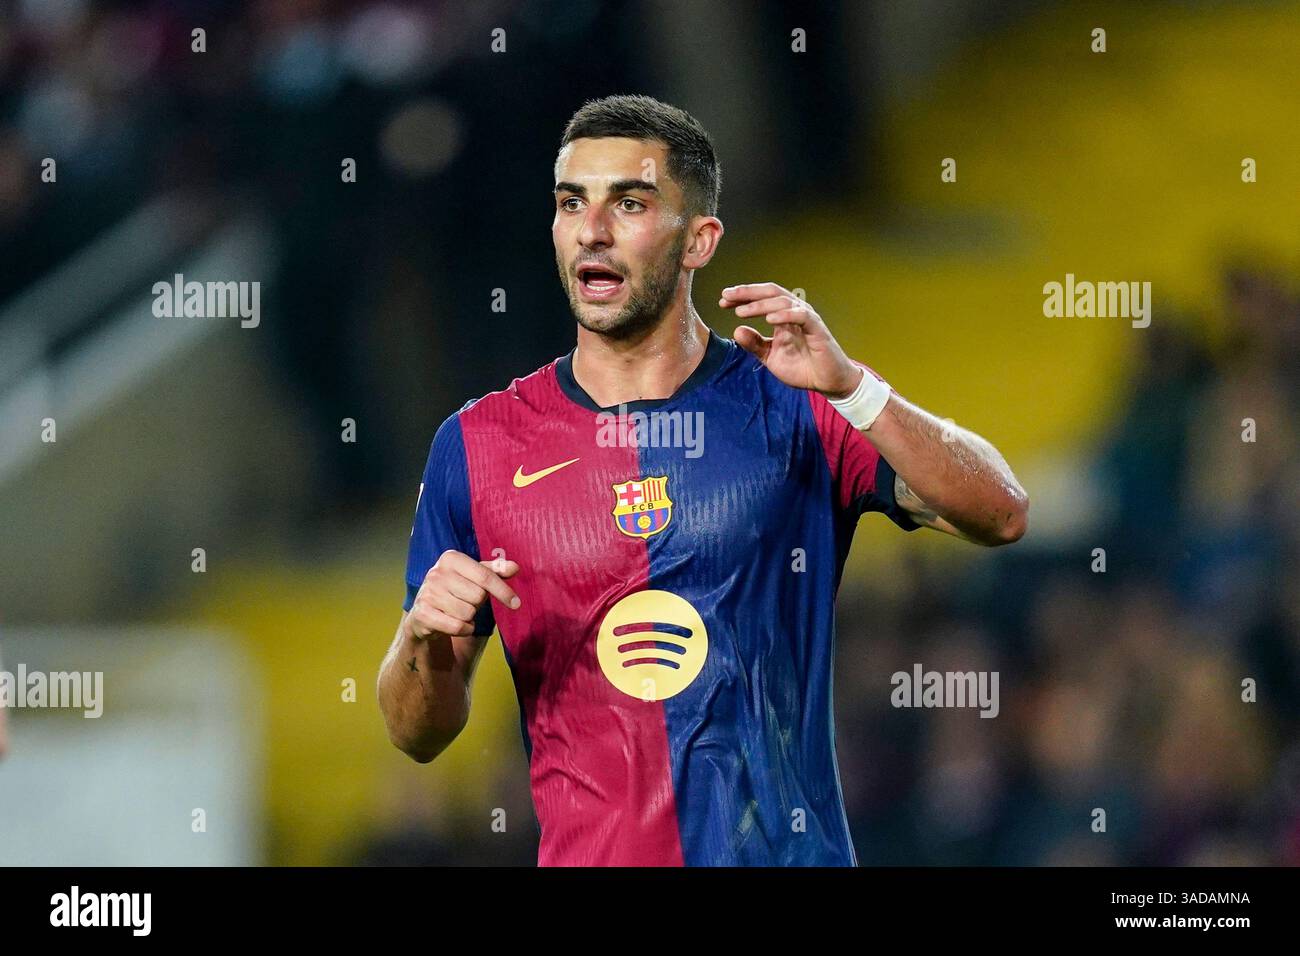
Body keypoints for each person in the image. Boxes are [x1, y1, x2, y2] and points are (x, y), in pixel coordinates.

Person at [377, 94, 1028, 865]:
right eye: (571, 202)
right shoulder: (479, 443)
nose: (592, 229)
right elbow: (417, 733)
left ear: (699, 240)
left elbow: (1001, 512)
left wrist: (856, 388)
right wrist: (422, 639)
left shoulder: (796, 405)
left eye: (629, 202)